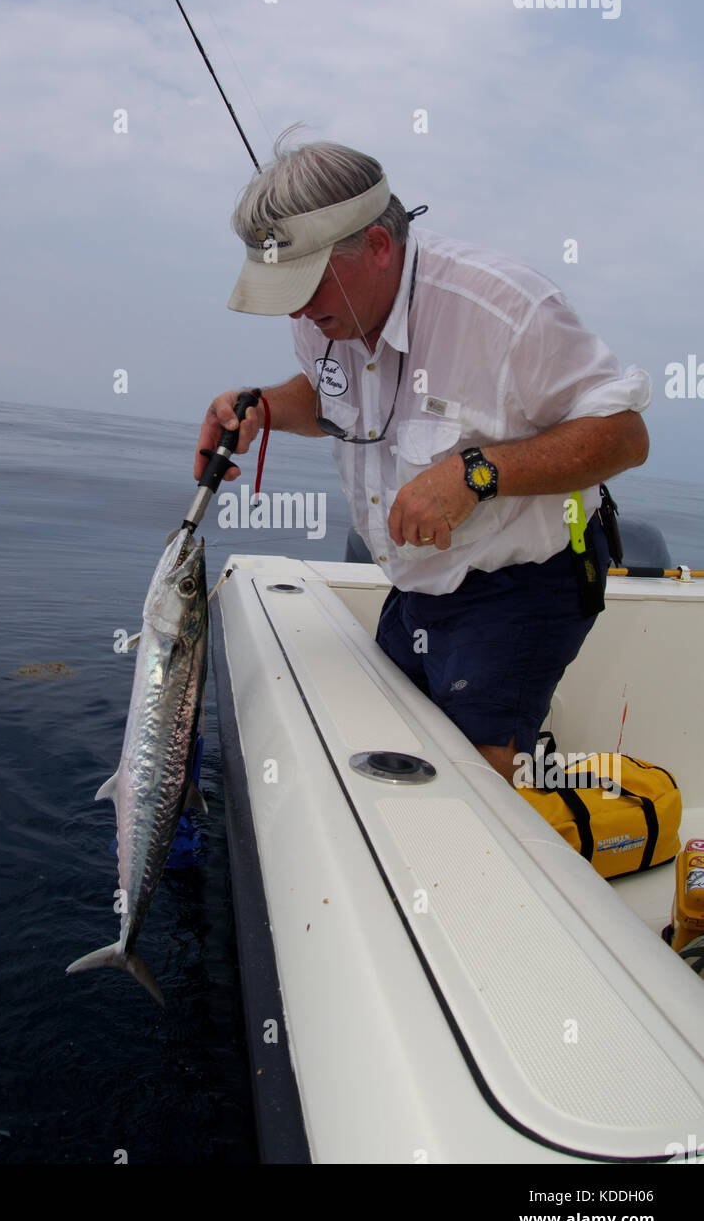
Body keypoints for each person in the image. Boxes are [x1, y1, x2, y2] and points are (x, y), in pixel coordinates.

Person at [194, 133, 651, 786]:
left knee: (472, 784)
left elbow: (623, 438)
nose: (294, 307)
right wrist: (262, 407)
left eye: (307, 283)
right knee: (397, 742)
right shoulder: (326, 314)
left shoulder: (506, 309)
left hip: (522, 583)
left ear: (378, 247)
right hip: (417, 586)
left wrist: (475, 474)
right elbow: (335, 399)